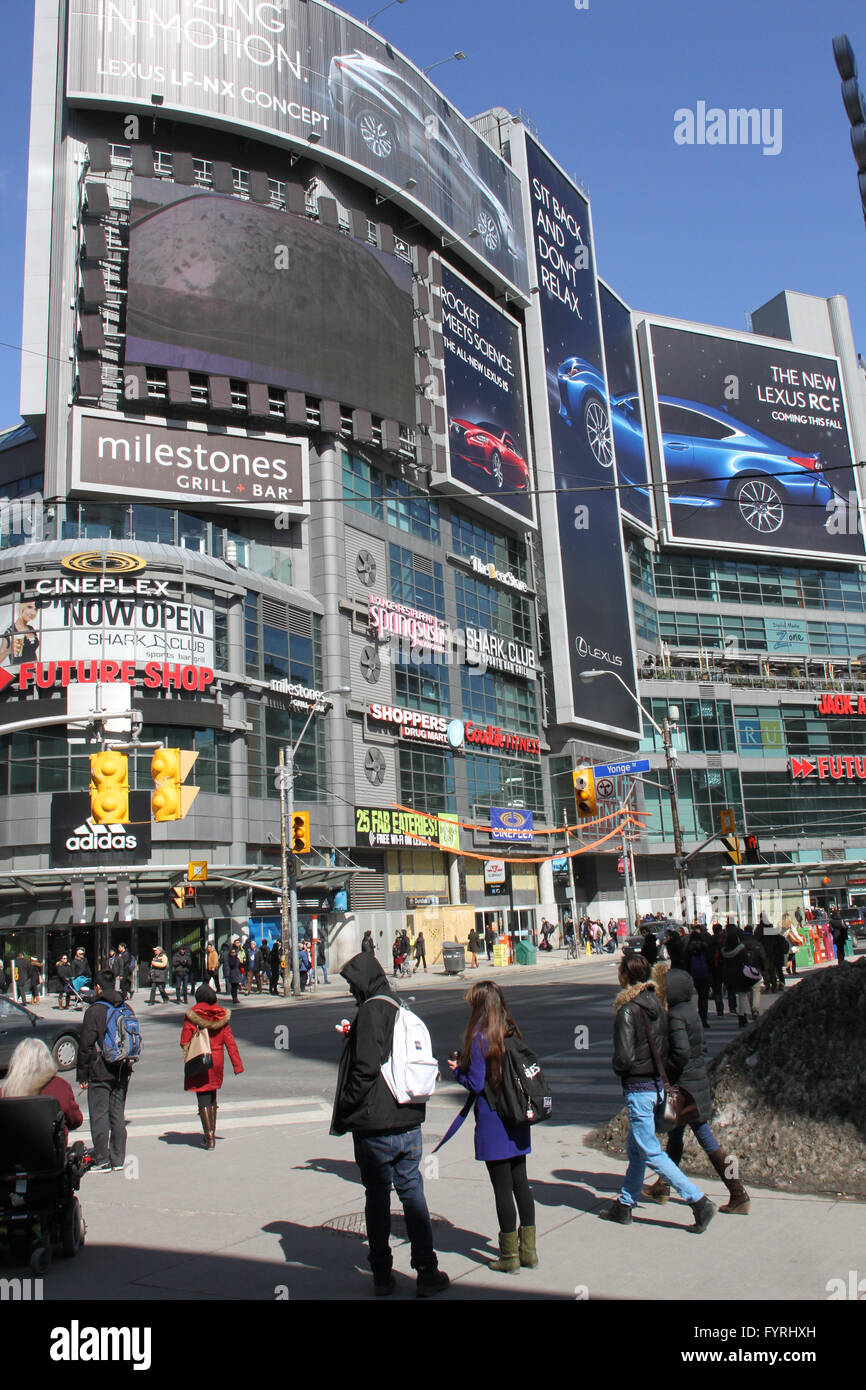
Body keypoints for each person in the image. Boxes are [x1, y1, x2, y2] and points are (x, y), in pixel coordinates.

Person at [331, 952, 449, 1298]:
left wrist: (348, 1105)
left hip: (376, 1124)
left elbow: (365, 1068)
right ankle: (427, 1270)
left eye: (353, 985)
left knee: (378, 1198)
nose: (352, 991)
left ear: (364, 981)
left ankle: (382, 1273)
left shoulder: (369, 1011)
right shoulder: (397, 1007)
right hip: (408, 1118)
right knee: (412, 1193)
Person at [600, 951, 715, 1231]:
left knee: (650, 1152)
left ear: (626, 976)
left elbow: (624, 1058)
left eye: (620, 971)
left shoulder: (627, 1010)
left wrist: (618, 1067)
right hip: (656, 1087)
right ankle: (625, 1204)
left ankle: (698, 1201)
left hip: (638, 1088)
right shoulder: (656, 1004)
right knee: (637, 1149)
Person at [643, 963, 751, 1215]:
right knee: (676, 1135)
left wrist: (666, 1068)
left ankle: (738, 1193)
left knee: (706, 1138)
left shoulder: (676, 1016)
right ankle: (663, 1185)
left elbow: (681, 1051)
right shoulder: (689, 1011)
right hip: (695, 1081)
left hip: (686, 1086)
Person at [448, 981, 537, 1273]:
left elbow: (475, 1083)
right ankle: (529, 1250)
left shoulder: (480, 1036)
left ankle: (509, 1256)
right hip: (517, 1116)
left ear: (480, 1006)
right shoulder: (511, 1030)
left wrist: (458, 1072)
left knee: (501, 1188)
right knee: (521, 1182)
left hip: (493, 1118)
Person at [77, 970, 136, 1172]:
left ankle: (102, 1159)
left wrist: (82, 1075)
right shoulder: (126, 1007)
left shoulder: (94, 1011)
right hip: (123, 1068)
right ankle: (118, 1158)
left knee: (99, 1114)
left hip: (100, 1069)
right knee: (117, 1114)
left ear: (98, 988)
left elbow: (85, 1046)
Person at [179, 984, 244, 1150]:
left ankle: (209, 1138)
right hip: (217, 1059)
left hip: (201, 1057)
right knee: (213, 1095)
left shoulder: (193, 1015)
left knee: (202, 1097)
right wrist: (237, 1064)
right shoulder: (222, 1015)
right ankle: (212, 1133)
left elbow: (184, 1040)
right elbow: (230, 1042)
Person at [1, 1037, 84, 1142]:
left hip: (14, 1154)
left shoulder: (5, 1091)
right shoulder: (60, 1086)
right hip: (52, 1153)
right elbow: (76, 1120)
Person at [720, 927, 766, 1028]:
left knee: (732, 993)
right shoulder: (740, 949)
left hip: (728, 975)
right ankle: (742, 1016)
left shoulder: (724, 951)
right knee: (743, 995)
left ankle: (733, 1009)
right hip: (740, 974)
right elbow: (746, 961)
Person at [685, 926, 712, 1027]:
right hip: (704, 975)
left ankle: (691, 1019)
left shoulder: (688, 949)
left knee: (691, 998)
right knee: (703, 998)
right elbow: (710, 961)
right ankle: (703, 1019)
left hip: (693, 976)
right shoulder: (704, 947)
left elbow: (686, 963)